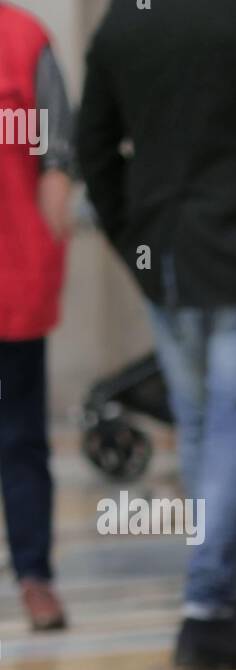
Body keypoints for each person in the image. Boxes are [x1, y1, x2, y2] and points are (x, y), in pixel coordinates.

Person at [78, 0, 236, 670]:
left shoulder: (125, 20)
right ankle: (208, 610)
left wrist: (130, 237)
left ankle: (227, 598)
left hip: (166, 258)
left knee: (202, 428)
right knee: (232, 430)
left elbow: (93, 148)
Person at [0, 2, 73, 632]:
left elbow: (56, 156)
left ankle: (35, 577)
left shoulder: (24, 40)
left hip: (12, 278)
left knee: (20, 436)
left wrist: (47, 252)